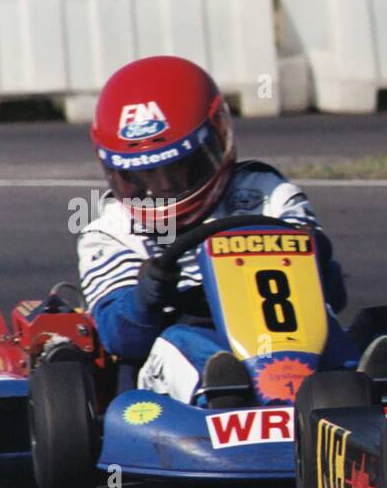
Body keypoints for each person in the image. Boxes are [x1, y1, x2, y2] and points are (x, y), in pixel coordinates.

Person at [78, 55, 350, 408]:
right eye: (141, 178)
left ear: (218, 137)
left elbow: (333, 294)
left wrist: (317, 255)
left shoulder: (266, 193)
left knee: (331, 331)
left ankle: (361, 383)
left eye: (179, 170)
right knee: (182, 341)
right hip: (179, 352)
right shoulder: (110, 232)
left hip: (292, 340)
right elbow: (120, 339)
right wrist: (145, 298)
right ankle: (222, 393)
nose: (162, 189)